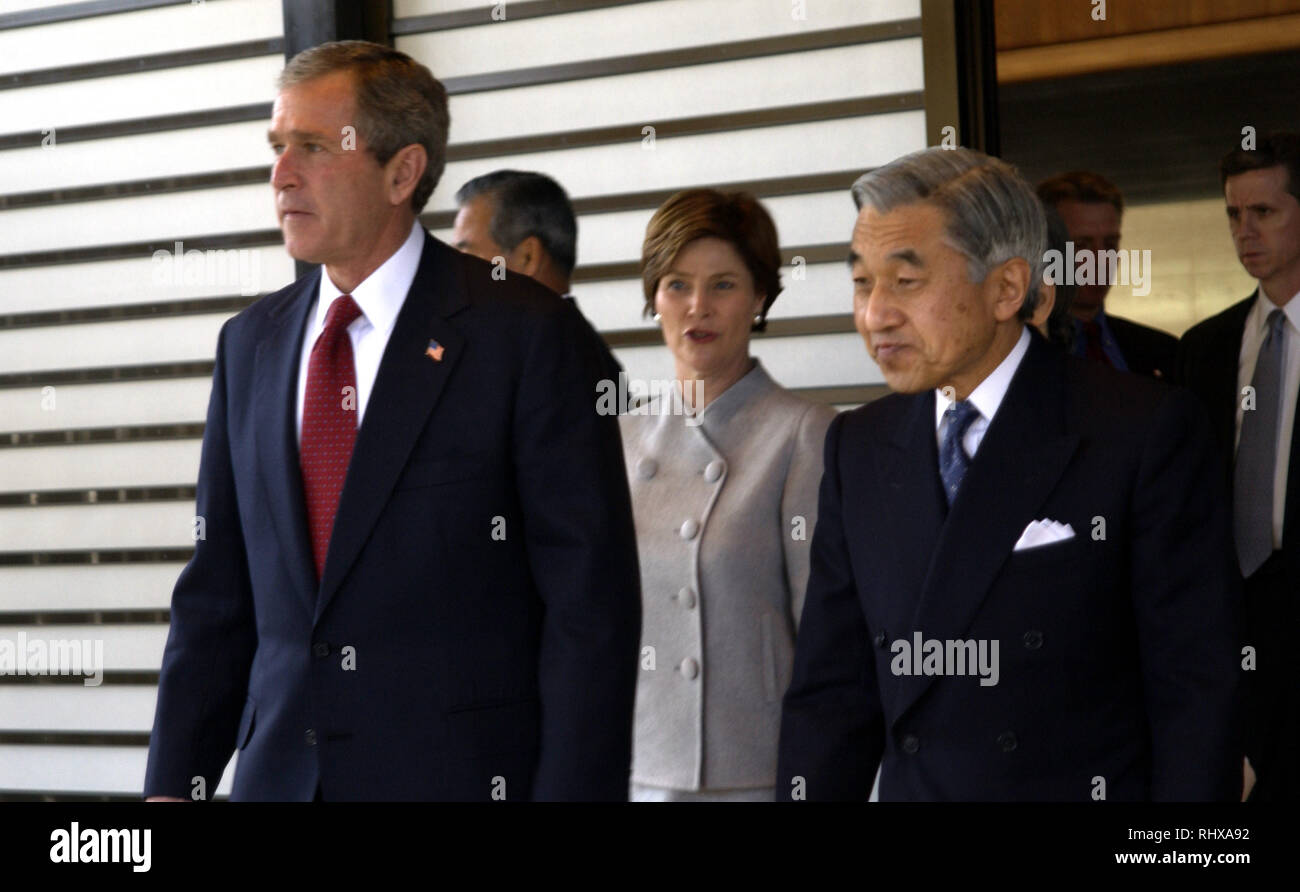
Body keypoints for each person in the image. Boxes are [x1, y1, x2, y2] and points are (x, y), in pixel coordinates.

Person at [143, 40, 641, 802]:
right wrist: (173, 786)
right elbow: (216, 597)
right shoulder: (249, 346)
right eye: (278, 148)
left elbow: (590, 617)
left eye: (312, 147)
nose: (281, 176)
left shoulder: (527, 334)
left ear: (402, 172)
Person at [777, 147, 1242, 801]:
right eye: (862, 282)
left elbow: (1194, 690)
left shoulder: (1141, 430)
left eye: (905, 281)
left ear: (1005, 288)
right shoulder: (858, 444)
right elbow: (831, 699)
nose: (874, 314)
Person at [621, 189, 834, 801]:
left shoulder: (803, 434)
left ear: (760, 297)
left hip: (754, 771)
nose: (697, 307)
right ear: (653, 298)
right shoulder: (617, 442)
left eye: (723, 285)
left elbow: (823, 638)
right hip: (638, 764)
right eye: (675, 285)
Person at [1176, 131, 1300, 802]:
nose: (1244, 231)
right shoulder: (1207, 346)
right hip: (1232, 617)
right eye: (1232, 214)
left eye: (1264, 212)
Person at [452, 169, 620, 378]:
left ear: (527, 257)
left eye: (465, 254)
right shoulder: (547, 344)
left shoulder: (558, 356)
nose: (455, 270)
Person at [1037, 170, 1177, 377]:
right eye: (1082, 246)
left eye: (1110, 245)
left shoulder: (1163, 350)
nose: (1100, 259)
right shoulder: (1018, 353)